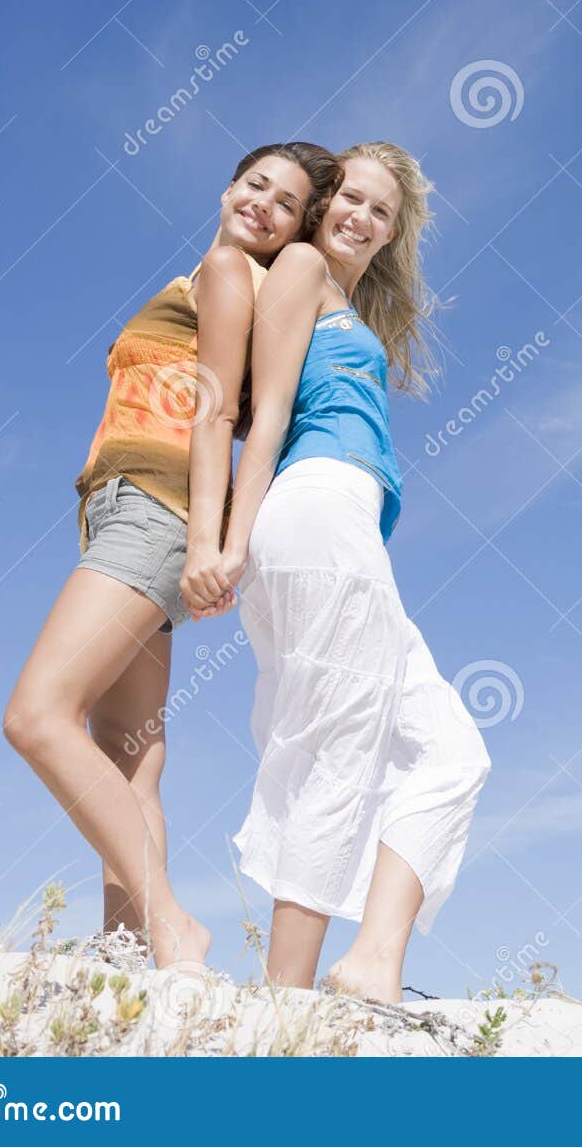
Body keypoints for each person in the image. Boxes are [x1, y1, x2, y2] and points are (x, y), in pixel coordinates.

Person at [3, 143, 341, 972]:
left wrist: (207, 546)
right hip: (129, 511)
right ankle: (130, 947)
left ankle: (167, 923)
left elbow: (223, 411)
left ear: (299, 229)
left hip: (157, 515)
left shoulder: (237, 274)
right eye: (255, 183)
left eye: (287, 203)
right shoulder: (202, 278)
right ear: (227, 186)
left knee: (38, 714)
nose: (262, 203)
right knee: (129, 751)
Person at [201, 142, 491, 1001]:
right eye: (350, 199)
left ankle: (370, 962)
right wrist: (227, 542)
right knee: (339, 739)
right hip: (315, 510)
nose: (361, 218)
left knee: (450, 752)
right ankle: (288, 994)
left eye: (382, 212)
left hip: (346, 523)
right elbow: (272, 411)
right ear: (324, 204)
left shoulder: (343, 300)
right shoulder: (296, 268)